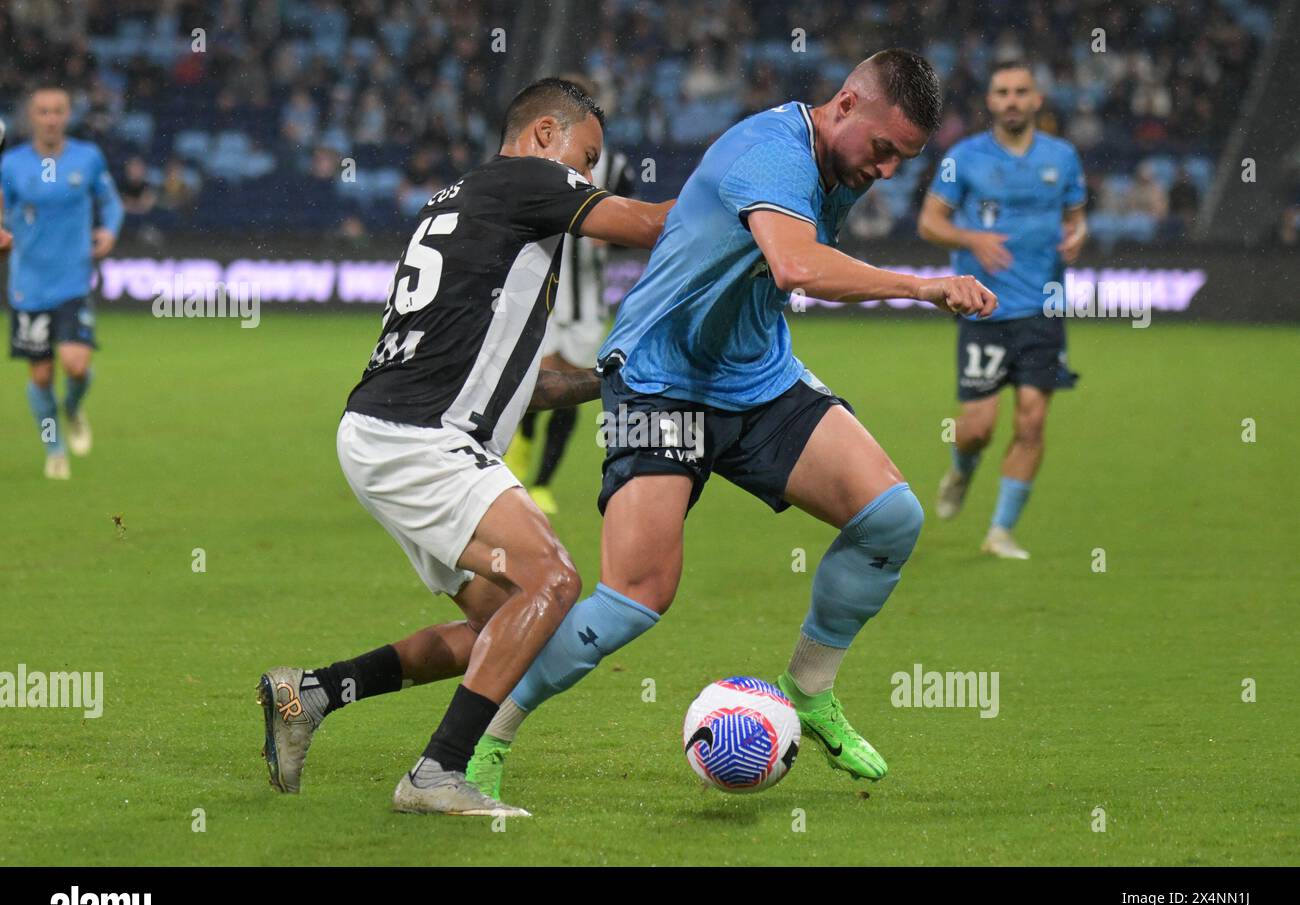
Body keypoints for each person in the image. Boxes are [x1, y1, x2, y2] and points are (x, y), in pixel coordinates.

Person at [464, 50, 997, 801]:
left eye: (901, 161)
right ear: (845, 105)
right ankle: (485, 740)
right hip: (658, 382)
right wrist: (923, 285)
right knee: (633, 599)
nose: (884, 171)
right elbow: (798, 269)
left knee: (890, 520)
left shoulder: (836, 164)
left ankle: (809, 689)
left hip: (755, 377)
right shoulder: (771, 153)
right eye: (882, 150)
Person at [257, 78, 674, 817]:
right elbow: (651, 224)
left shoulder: (469, 202)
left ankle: (312, 692)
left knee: (503, 626)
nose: (589, 176)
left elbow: (519, 385)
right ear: (545, 134)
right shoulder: (529, 180)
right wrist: (752, 193)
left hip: (392, 431)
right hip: (423, 436)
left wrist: (606, 381)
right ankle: (435, 772)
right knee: (552, 581)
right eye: (587, 157)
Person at [919, 60, 1087, 559]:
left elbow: (1077, 219)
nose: (1011, 99)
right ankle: (960, 471)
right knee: (978, 427)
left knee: (1032, 423)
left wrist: (1079, 236)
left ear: (1037, 100)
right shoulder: (963, 157)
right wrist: (972, 238)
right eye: (1002, 92)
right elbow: (929, 223)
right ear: (990, 102)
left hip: (1043, 308)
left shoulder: (1064, 156)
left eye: (1021, 91)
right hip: (985, 309)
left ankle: (999, 532)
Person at [505, 75, 638, 515]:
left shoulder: (615, 166)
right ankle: (520, 442)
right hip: (544, 292)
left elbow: (631, 225)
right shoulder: (539, 162)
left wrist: (610, 240)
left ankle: (542, 482)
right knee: (532, 376)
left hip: (586, 299)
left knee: (571, 383)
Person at [1, 85, 123, 479]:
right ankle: (54, 447)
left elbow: (112, 202)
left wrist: (110, 231)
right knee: (40, 376)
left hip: (72, 281)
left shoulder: (87, 159)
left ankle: (72, 408)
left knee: (75, 366)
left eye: (58, 111)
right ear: (31, 118)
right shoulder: (12, 165)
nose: (51, 118)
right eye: (43, 112)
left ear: (67, 115)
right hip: (29, 286)